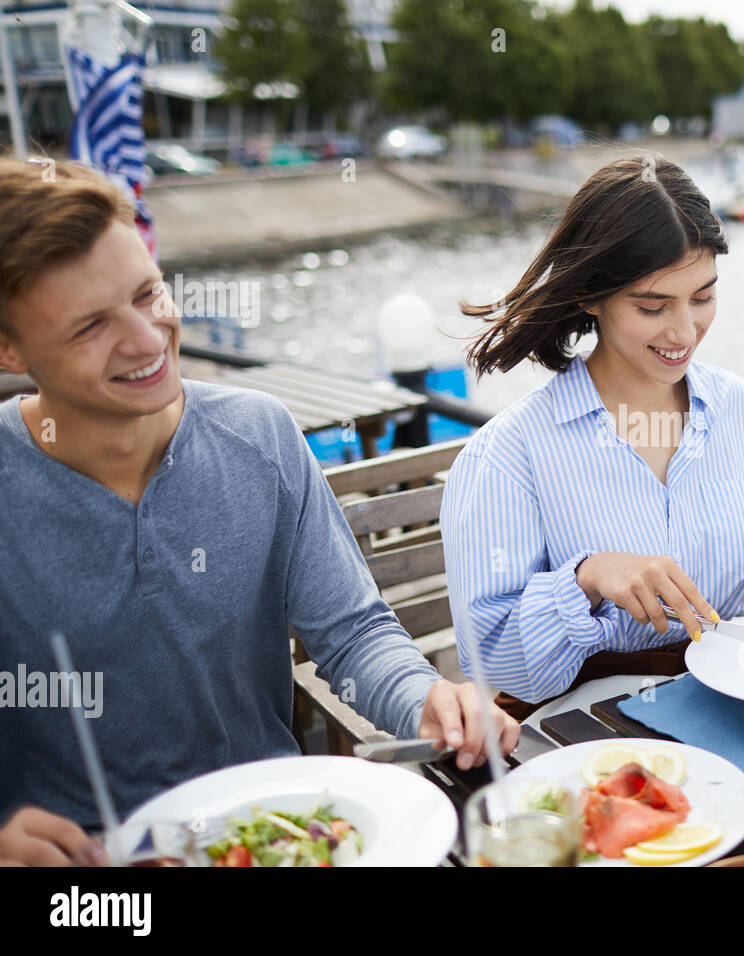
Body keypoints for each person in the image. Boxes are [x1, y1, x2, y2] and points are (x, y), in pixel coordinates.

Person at [0, 156, 519, 866]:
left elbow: (352, 633)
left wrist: (427, 697)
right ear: (9, 347)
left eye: (148, 293)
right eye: (91, 326)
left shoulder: (262, 435)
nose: (149, 341)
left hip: (282, 842)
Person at [441, 156, 744, 719]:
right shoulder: (507, 454)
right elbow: (493, 664)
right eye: (652, 306)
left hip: (729, 703)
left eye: (703, 297)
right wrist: (588, 579)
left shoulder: (733, 406)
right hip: (586, 733)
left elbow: (714, 552)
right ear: (589, 295)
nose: (684, 332)